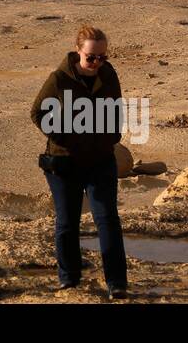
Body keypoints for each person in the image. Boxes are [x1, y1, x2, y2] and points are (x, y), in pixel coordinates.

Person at [30, 24, 129, 299]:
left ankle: (117, 282)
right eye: (91, 57)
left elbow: (116, 108)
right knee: (67, 222)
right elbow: (37, 113)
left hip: (100, 160)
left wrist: (111, 136)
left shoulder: (108, 75)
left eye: (102, 57)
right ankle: (69, 279)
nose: (97, 63)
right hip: (65, 162)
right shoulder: (59, 79)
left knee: (107, 219)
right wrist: (67, 137)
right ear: (78, 52)